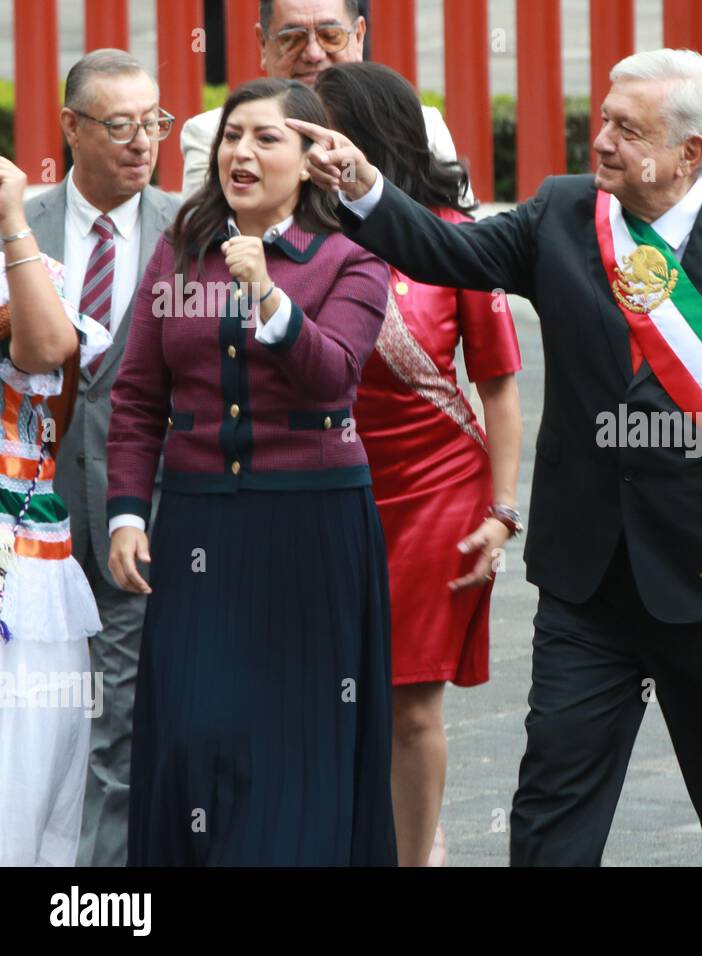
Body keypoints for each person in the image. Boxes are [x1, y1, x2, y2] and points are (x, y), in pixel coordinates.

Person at [291, 47, 702, 866]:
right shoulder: (561, 212)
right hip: (588, 581)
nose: (603, 142)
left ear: (690, 152)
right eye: (602, 122)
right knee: (551, 812)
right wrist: (362, 184)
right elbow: (451, 255)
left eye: (628, 128)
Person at [107, 78, 396, 865]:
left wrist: (268, 296)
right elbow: (137, 395)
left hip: (313, 528)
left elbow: (332, 377)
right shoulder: (180, 248)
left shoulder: (354, 256)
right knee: (197, 730)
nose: (241, 152)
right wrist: (130, 512)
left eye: (267, 138)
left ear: (311, 160)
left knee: (298, 739)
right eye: (234, 135)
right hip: (200, 523)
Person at [314, 61, 523, 868]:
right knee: (321, 694)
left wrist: (502, 511)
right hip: (320, 487)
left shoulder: (451, 236)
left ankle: (413, 856)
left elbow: (501, 389)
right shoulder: (293, 237)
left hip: (438, 493)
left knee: (409, 707)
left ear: (366, 134)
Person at [23, 49, 181, 868]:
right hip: (28, 525)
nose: (141, 142)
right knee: (36, 721)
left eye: (152, 123)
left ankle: (98, 893)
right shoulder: (23, 226)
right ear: (71, 128)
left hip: (140, 518)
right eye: (117, 125)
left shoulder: (191, 231)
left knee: (119, 722)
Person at [0, 155, 110, 865]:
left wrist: (11, 221)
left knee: (27, 799)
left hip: (23, 571)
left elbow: (48, 348)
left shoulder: (33, 274)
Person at [179, 0, 468, 203]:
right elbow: (202, 251)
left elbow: (455, 236)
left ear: (358, 36)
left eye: (331, 36)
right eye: (292, 38)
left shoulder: (422, 124)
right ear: (263, 44)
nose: (314, 53)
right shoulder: (217, 135)